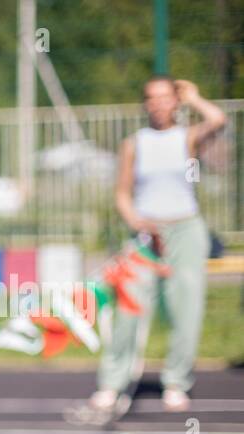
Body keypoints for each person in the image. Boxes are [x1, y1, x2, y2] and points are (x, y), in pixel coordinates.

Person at [89, 76, 226, 415]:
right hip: (145, 236)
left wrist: (193, 97)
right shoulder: (134, 143)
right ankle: (112, 383)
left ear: (175, 101)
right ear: (145, 103)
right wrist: (136, 220)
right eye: (153, 98)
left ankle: (177, 382)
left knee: (185, 309)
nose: (159, 104)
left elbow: (218, 121)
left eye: (166, 97)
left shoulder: (188, 137)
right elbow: (122, 194)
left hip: (185, 229)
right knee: (128, 308)